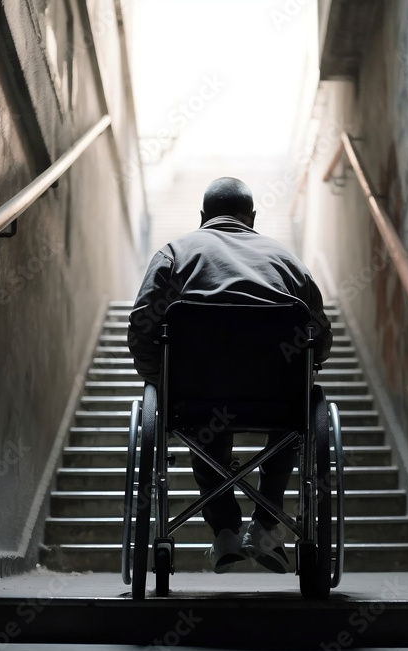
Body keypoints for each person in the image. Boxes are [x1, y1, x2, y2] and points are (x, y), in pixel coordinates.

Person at [127, 176, 332, 574]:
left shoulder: (174, 254)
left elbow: (141, 329)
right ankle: (267, 527)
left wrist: (163, 383)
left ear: (203, 216)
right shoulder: (288, 262)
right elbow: (320, 341)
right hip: (277, 398)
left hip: (197, 397)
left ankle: (224, 531)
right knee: (297, 406)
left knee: (202, 409)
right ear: (251, 218)